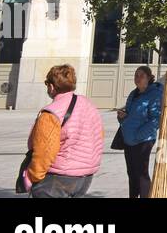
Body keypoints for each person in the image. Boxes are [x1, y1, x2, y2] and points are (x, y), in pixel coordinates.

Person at [21, 65, 104, 197]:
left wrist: (33, 175)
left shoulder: (51, 113)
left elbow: (45, 150)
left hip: (57, 177)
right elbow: (98, 137)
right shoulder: (89, 105)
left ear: (51, 86)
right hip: (84, 176)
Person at [116, 65, 163, 199]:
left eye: (141, 75)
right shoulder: (133, 93)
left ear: (149, 78)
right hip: (129, 139)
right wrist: (122, 118)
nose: (137, 78)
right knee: (131, 173)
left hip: (143, 140)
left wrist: (139, 135)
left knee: (141, 173)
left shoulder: (154, 94)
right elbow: (129, 115)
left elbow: (156, 119)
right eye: (136, 75)